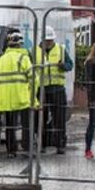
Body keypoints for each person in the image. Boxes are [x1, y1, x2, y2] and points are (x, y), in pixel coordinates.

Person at [0, 31, 35, 157]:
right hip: (22, 97)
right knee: (26, 125)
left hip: (5, 99)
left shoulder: (0, 60)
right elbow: (33, 78)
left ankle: (11, 151)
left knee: (10, 126)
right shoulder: (24, 58)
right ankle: (27, 149)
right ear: (21, 45)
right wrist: (34, 96)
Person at [35, 26, 73, 154]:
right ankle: (42, 144)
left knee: (59, 119)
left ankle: (60, 144)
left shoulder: (61, 50)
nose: (49, 43)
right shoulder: (35, 52)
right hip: (42, 89)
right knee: (41, 119)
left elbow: (70, 65)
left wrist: (63, 66)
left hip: (57, 89)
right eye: (47, 40)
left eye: (51, 40)